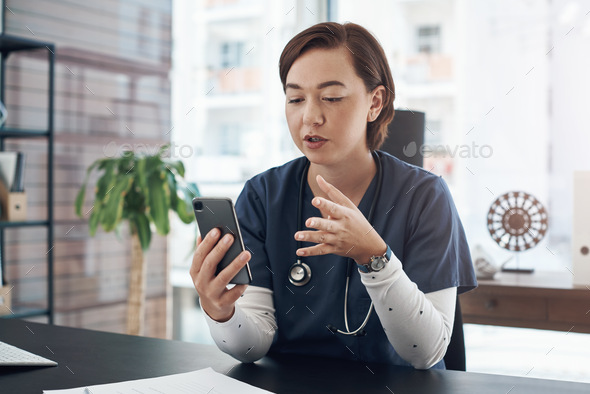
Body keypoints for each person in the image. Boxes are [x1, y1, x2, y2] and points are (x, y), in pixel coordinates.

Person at [190, 21, 477, 370]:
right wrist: (221, 312)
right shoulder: (262, 196)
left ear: (375, 102)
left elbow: (426, 353)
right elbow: (253, 344)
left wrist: (375, 257)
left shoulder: (424, 197)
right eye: (295, 98)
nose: (310, 116)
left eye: (331, 98)